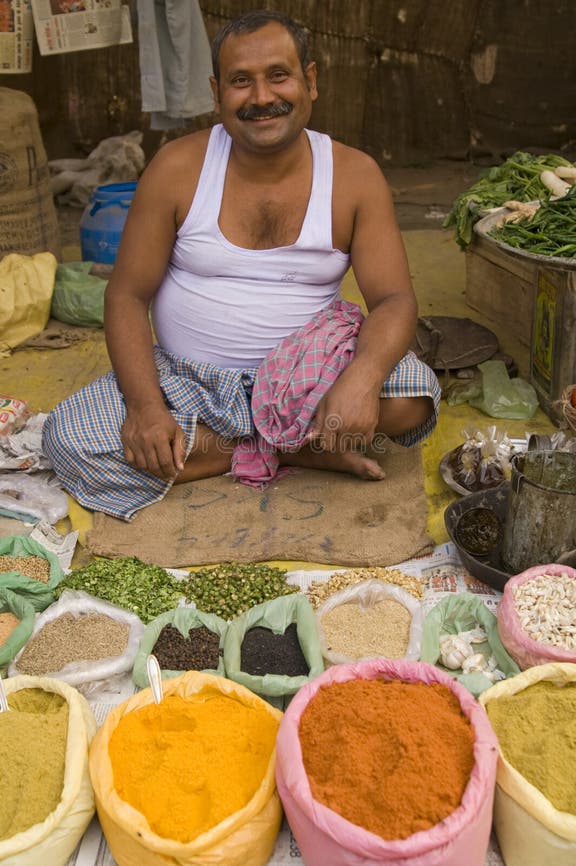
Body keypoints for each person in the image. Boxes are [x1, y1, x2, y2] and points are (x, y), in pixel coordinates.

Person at [43, 9, 441, 521]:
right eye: (240, 82)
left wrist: (361, 378)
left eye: (278, 75)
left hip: (310, 376)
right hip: (188, 382)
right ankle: (284, 449)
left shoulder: (355, 175)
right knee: (68, 439)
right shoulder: (177, 168)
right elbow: (125, 295)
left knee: (415, 397)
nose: (261, 98)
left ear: (310, 81)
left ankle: (229, 447)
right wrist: (145, 407)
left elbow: (393, 299)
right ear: (216, 93)